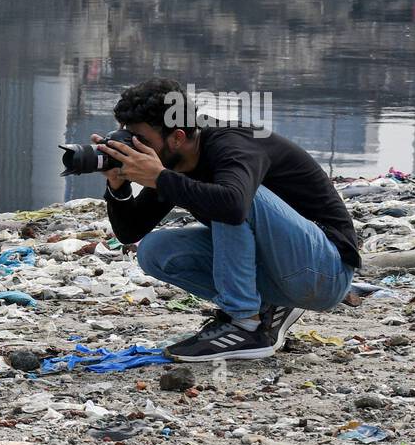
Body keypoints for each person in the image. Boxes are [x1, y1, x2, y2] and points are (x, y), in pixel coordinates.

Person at [98, 78, 359, 362]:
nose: (135, 149)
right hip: (283, 272)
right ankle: (268, 307)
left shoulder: (232, 143)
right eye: (129, 139)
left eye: (142, 142)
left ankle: (244, 325)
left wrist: (161, 178)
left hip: (325, 270)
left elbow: (234, 205)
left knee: (232, 199)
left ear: (178, 137)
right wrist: (118, 185)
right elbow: (130, 230)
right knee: (154, 250)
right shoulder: (175, 159)